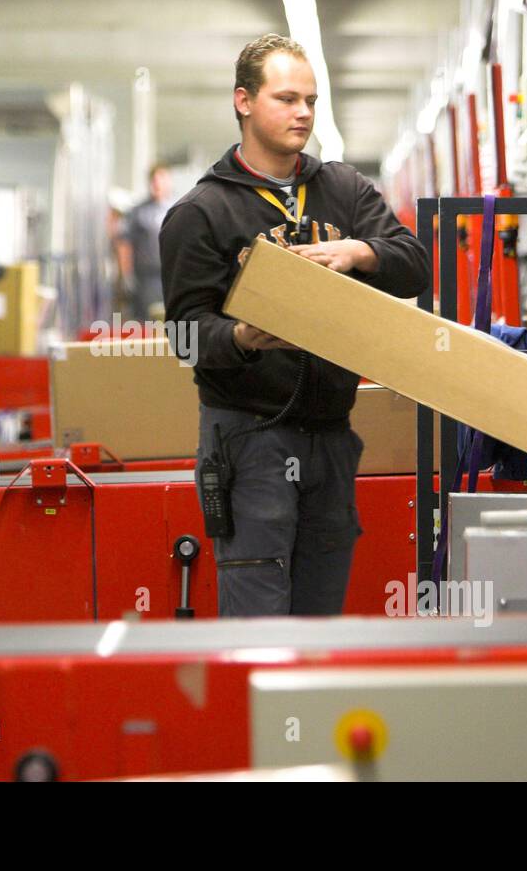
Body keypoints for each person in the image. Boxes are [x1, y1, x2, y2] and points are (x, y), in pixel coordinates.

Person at [160, 33, 431, 618]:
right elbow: (184, 335)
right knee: (258, 620)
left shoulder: (344, 189)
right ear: (244, 102)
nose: (303, 113)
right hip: (249, 441)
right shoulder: (201, 213)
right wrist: (241, 337)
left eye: (310, 99)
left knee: (320, 616)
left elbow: (415, 264)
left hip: (331, 434)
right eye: (286, 99)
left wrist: (359, 253)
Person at [116, 164, 173, 320]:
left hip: (170, 276)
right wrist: (125, 275)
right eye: (154, 181)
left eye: (161, 180)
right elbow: (124, 244)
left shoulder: (176, 209)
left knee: (171, 322)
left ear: (168, 182)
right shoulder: (138, 212)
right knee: (146, 322)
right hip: (145, 279)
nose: (157, 184)